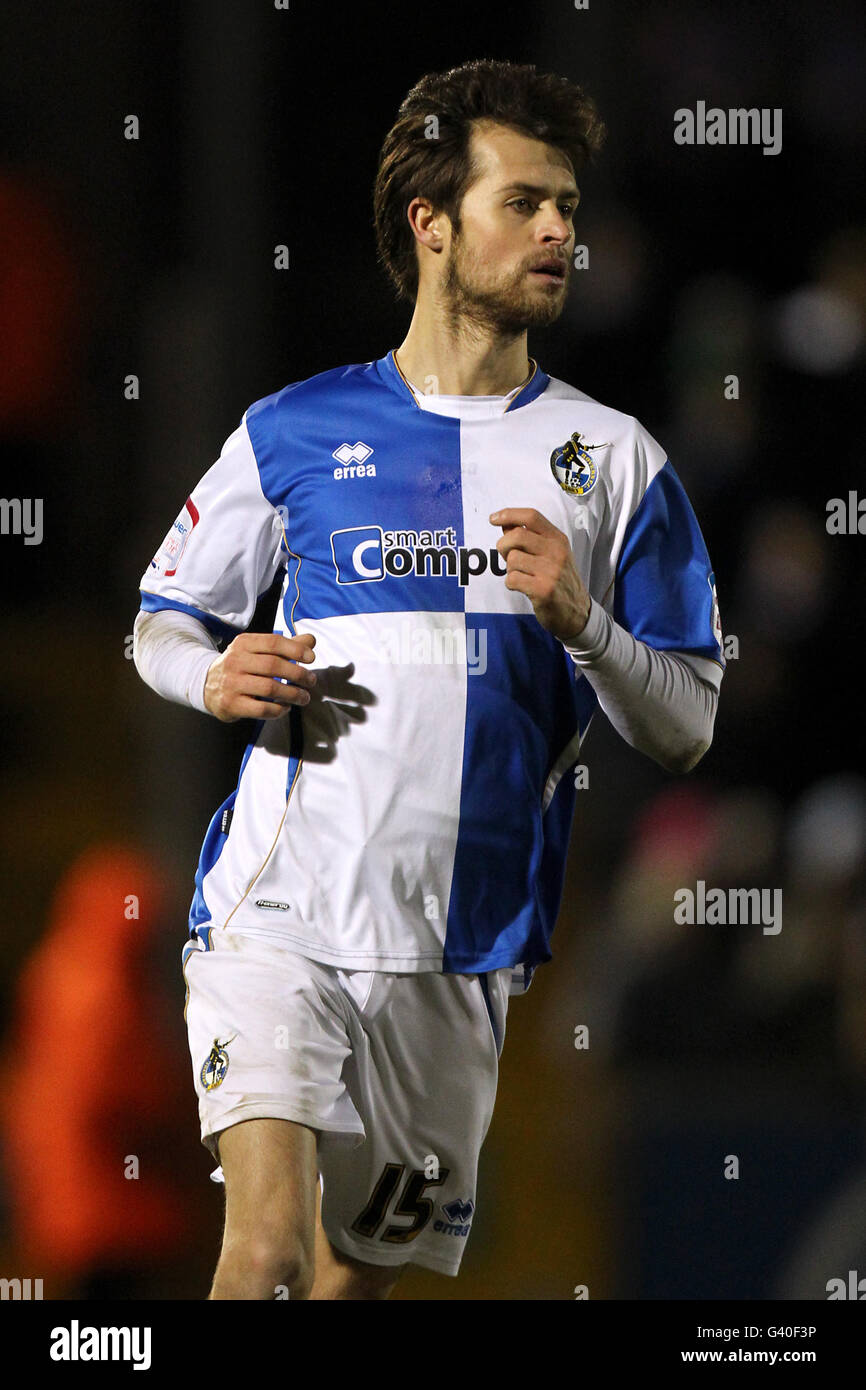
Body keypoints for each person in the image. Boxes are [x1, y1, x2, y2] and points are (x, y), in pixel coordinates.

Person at [133, 58, 724, 1300]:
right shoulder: (289, 430)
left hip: (460, 949)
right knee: (264, 1254)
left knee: (353, 1285)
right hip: (278, 913)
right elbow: (160, 623)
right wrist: (211, 677)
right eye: (523, 201)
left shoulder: (615, 460)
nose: (559, 228)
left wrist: (581, 620)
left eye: (567, 204)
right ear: (433, 223)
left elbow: (684, 726)